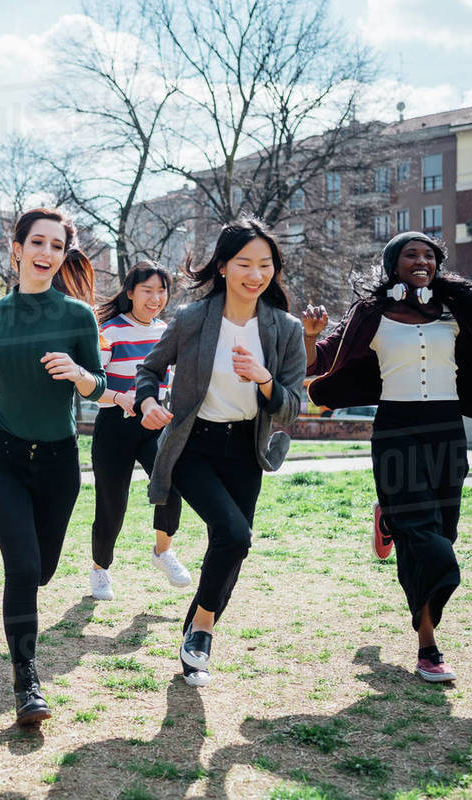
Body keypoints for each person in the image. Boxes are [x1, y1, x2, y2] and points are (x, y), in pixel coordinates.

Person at [301, 231, 472, 683]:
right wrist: (312, 337)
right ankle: (428, 644)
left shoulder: (455, 309)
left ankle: (390, 518)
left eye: (429, 254)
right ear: (394, 265)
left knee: (442, 532)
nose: (421, 260)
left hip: (447, 430)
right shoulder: (370, 313)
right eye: (411, 254)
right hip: (396, 429)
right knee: (428, 546)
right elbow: (320, 361)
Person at [135, 219, 306, 688]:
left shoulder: (285, 330)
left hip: (248, 447)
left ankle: (194, 640)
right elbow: (149, 371)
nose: (256, 274)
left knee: (229, 545)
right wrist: (148, 401)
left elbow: (293, 408)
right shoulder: (192, 320)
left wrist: (264, 378)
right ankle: (205, 630)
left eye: (265, 265)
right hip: (193, 444)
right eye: (244, 264)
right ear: (225, 267)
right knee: (235, 534)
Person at [0, 208, 106, 725]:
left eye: (56, 246)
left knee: (40, 571)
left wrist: (80, 373)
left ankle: (25, 650)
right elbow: (9, 358)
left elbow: (101, 389)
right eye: (36, 242)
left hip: (59, 462)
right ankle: (26, 680)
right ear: (17, 248)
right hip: (2, 456)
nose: (46, 253)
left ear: (64, 254)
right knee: (20, 569)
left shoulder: (78, 316)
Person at [88, 262, 189, 601]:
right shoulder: (109, 331)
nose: (155, 298)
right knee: (112, 505)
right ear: (130, 292)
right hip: (114, 427)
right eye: (147, 290)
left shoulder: (166, 331)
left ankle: (162, 552)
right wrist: (121, 397)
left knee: (170, 483)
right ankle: (100, 569)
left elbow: (173, 380)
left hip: (153, 425)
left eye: (162, 291)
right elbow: (90, 386)